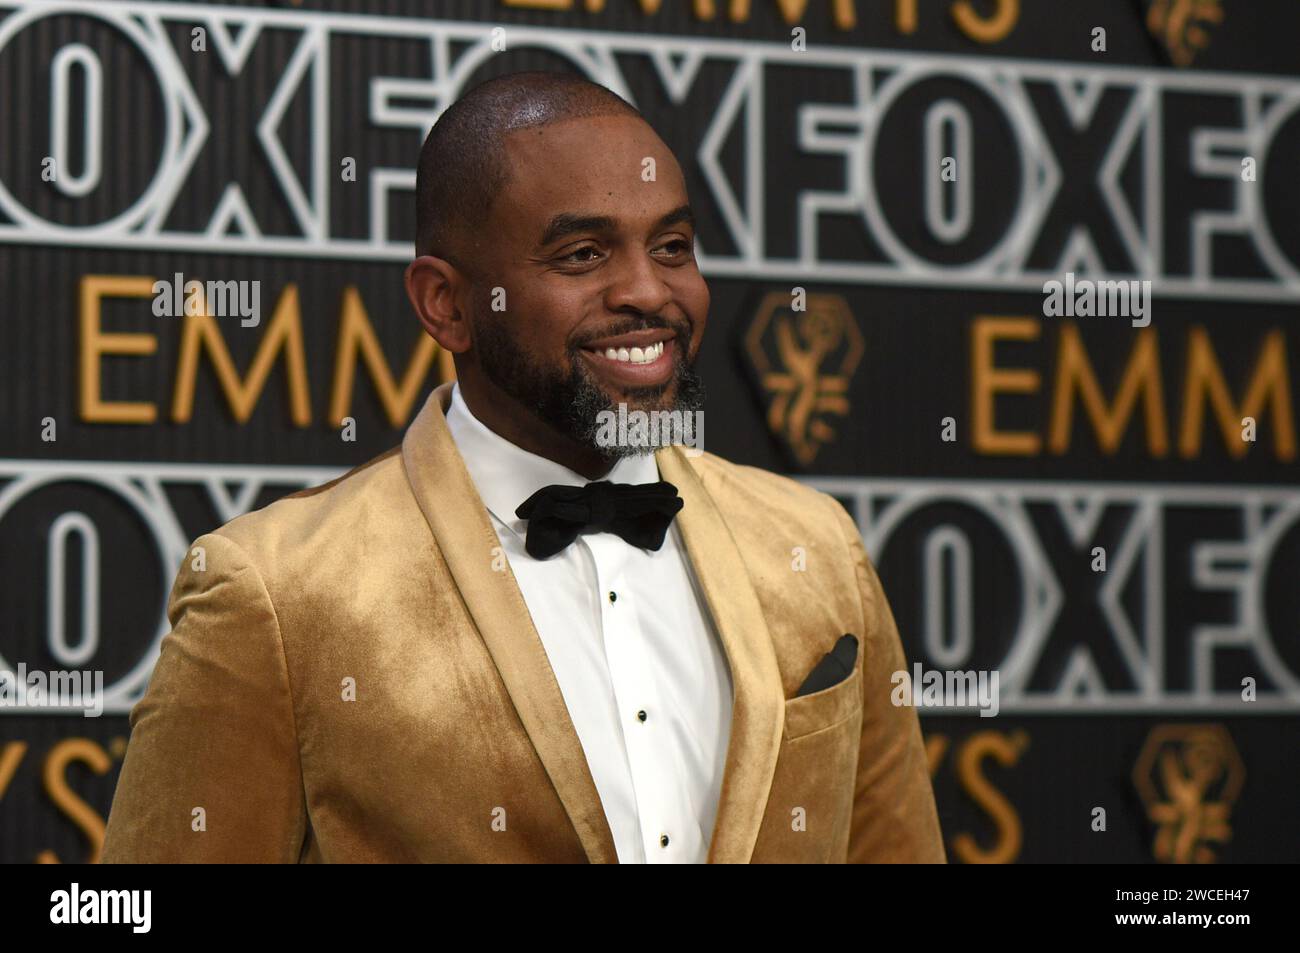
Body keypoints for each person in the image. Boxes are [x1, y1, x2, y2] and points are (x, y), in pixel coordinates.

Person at [101, 70, 944, 863]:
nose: (649, 291)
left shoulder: (815, 544)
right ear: (447, 305)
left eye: (674, 244)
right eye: (583, 254)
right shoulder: (277, 594)